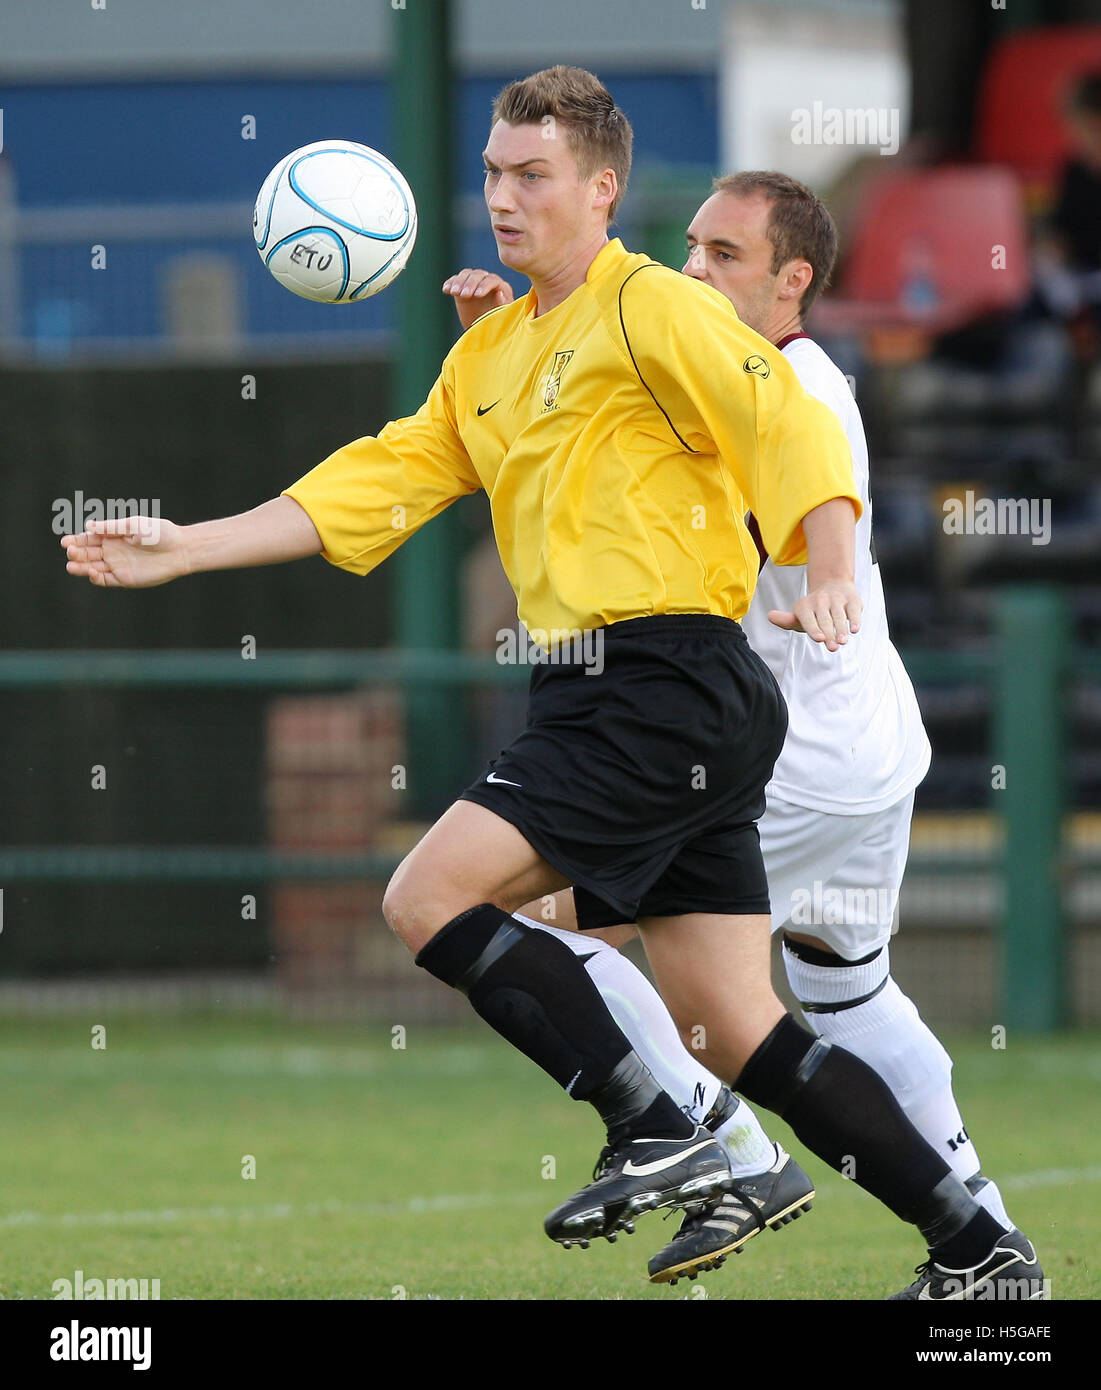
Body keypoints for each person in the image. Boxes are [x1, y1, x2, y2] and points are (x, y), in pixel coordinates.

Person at [62, 67, 1037, 1300]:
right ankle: (979, 1250)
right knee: (736, 1023)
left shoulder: (651, 305)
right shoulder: (499, 354)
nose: (505, 198)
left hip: (659, 680)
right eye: (491, 174)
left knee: (429, 894)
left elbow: (789, 424)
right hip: (639, 697)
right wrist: (190, 541)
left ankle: (664, 1129)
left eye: (532, 176)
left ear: (602, 190)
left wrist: (833, 562)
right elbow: (385, 477)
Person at [444, 169, 1033, 1295]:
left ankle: (724, 1144)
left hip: (784, 767)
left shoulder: (773, 394)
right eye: (691, 248)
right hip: (867, 750)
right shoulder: (765, 377)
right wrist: (508, 367)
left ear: (791, 280)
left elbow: (657, 528)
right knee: (851, 991)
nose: (691, 270)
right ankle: (985, 1246)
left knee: (543, 926)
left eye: (723, 255)